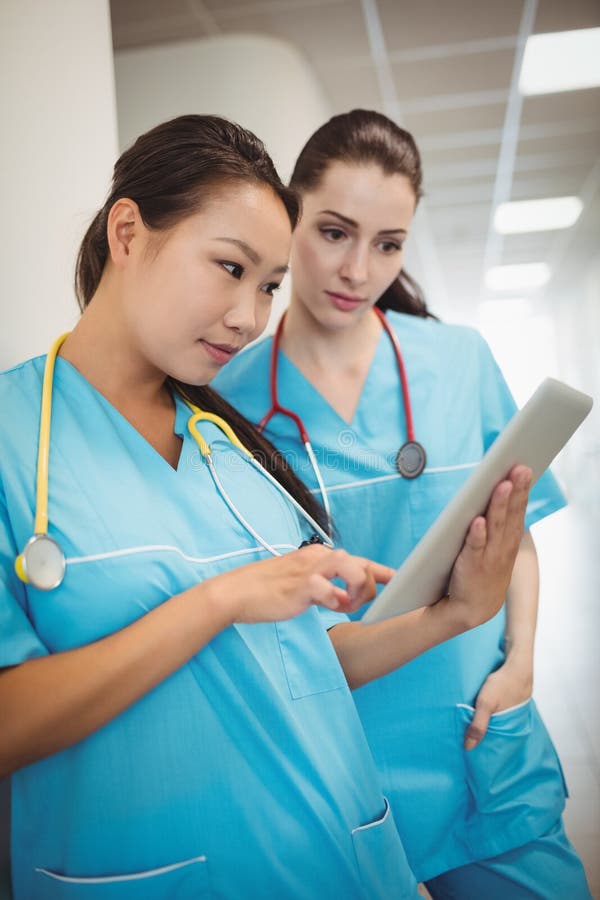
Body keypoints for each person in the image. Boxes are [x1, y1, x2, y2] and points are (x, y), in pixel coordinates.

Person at [0, 115, 532, 900]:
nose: (251, 317)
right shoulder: (18, 441)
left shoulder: (235, 445)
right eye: (229, 267)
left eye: (269, 286)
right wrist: (221, 601)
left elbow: (315, 660)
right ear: (126, 231)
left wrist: (456, 615)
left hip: (349, 866)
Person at [213, 110, 592, 899]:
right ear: (290, 220)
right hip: (334, 757)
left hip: (478, 736)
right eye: (334, 232)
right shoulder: (225, 402)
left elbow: (512, 534)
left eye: (388, 244)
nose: (358, 269)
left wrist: (519, 663)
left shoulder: (459, 361)